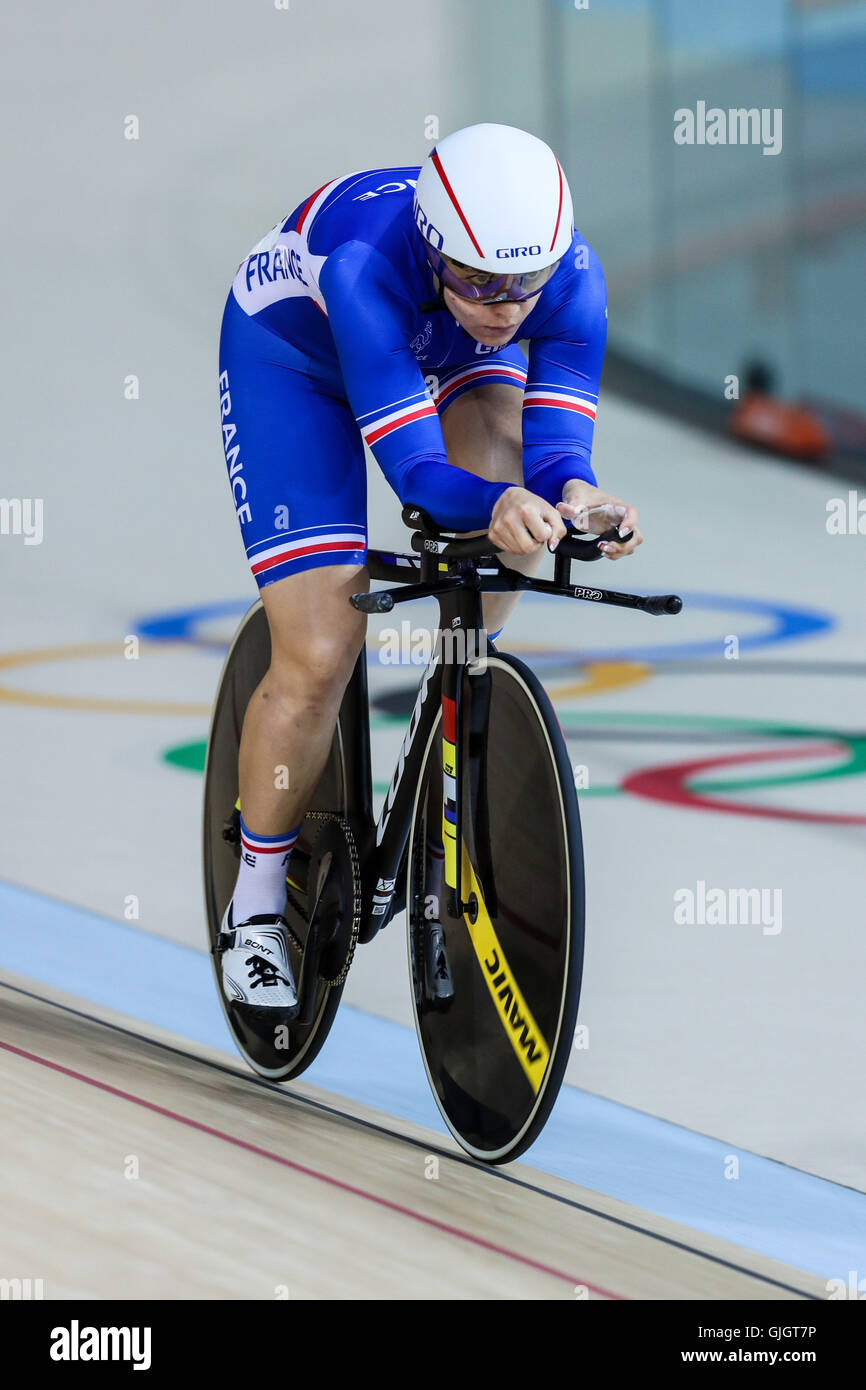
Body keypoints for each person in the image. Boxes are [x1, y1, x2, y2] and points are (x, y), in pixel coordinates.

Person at [216, 122, 642, 1020]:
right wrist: (490, 502)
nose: (507, 306)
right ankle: (254, 907)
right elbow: (415, 477)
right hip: (295, 358)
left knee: (518, 533)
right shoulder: (368, 268)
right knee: (321, 652)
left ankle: (447, 710)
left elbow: (558, 449)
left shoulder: (565, 279)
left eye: (524, 284)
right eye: (483, 281)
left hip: (435, 350)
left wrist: (582, 499)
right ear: (436, 245)